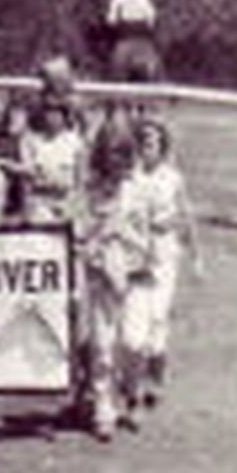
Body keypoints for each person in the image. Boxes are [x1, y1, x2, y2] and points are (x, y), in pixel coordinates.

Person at [121, 118, 202, 412]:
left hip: (165, 255)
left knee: (157, 322)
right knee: (132, 332)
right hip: (134, 256)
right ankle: (133, 386)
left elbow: (186, 216)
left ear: (162, 146)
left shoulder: (173, 178)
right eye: (142, 141)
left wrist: (197, 258)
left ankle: (153, 380)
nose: (147, 147)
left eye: (153, 141)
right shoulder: (129, 177)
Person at [78, 122, 151, 441]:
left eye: (122, 154)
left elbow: (149, 237)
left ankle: (133, 391)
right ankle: (103, 407)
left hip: (134, 273)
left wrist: (123, 236)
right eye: (110, 154)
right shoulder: (89, 191)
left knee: (133, 342)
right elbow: (79, 233)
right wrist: (96, 244)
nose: (116, 162)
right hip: (100, 275)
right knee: (102, 345)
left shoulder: (139, 189)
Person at [16, 101, 86, 223]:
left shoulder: (75, 142)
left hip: (66, 200)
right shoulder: (31, 141)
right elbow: (26, 176)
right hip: (39, 200)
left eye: (57, 113)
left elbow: (80, 176)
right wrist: (26, 204)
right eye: (48, 112)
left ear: (64, 117)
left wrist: (78, 203)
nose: (52, 118)